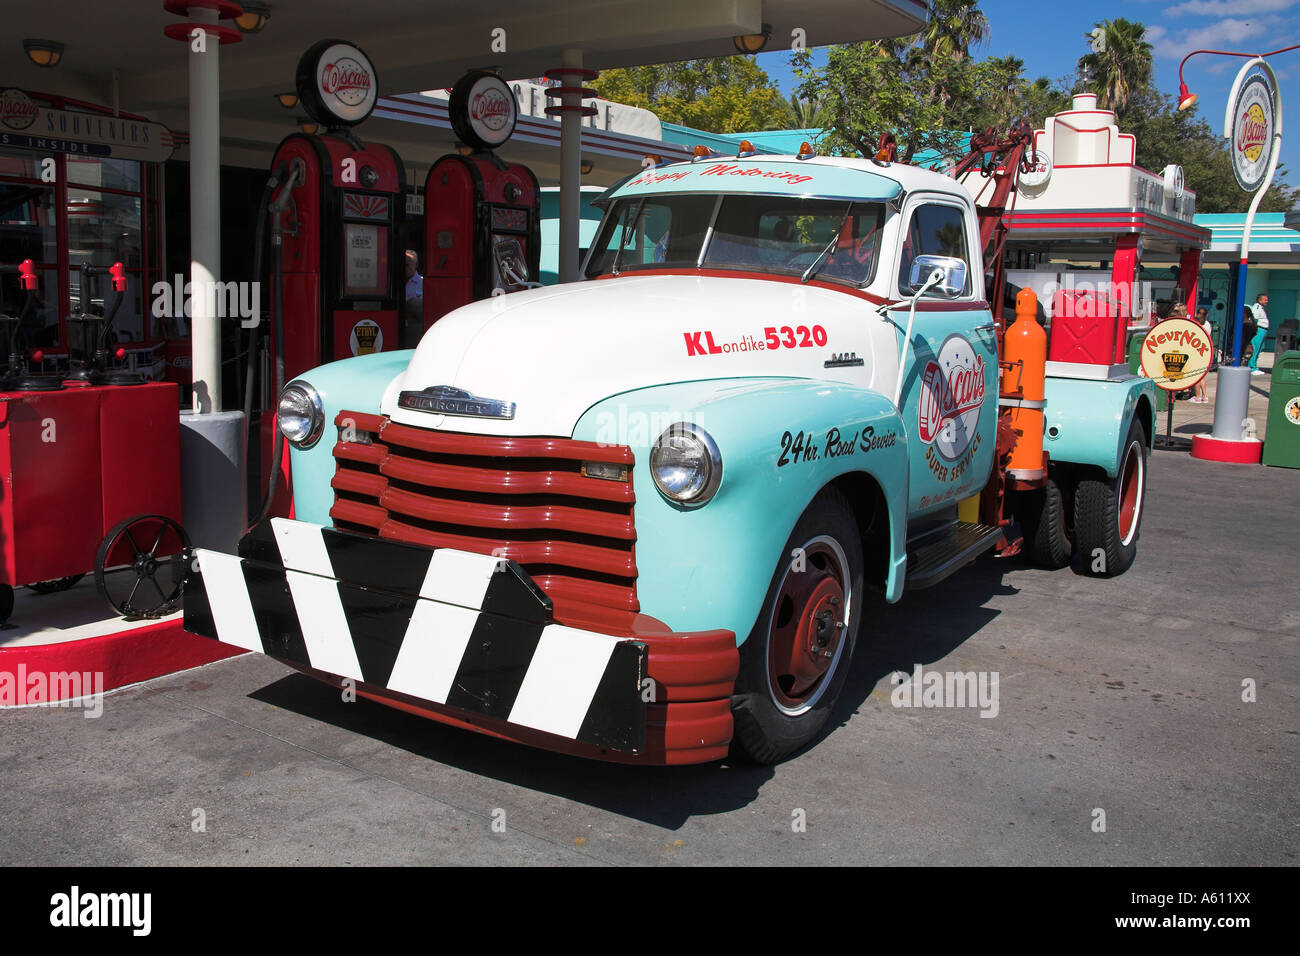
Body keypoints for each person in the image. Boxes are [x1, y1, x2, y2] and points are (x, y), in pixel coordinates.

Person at [1193, 306, 1211, 403]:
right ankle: (1204, 396)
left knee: (1197, 375)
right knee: (1202, 375)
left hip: (1198, 351)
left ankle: (1198, 396)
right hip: (1205, 351)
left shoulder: (1198, 324)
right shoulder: (1208, 324)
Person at [1248, 293, 1269, 375]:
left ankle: (1254, 366)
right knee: (1255, 348)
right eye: (1265, 300)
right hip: (1259, 330)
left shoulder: (1261, 308)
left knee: (1259, 349)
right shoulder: (1257, 307)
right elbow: (1254, 317)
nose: (1267, 301)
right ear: (1260, 300)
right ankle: (1251, 367)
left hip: (1262, 330)